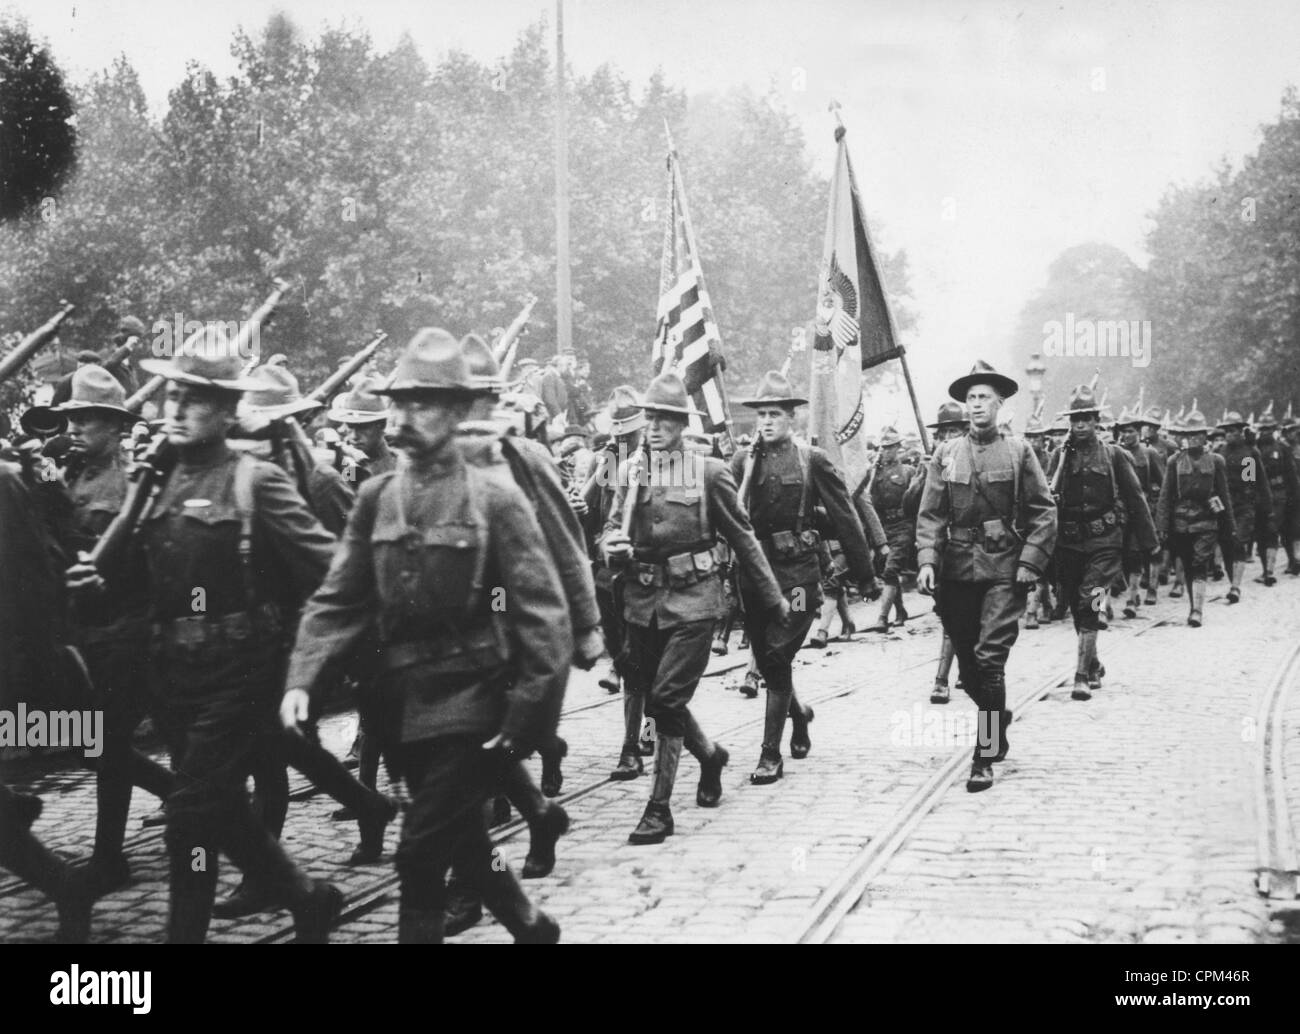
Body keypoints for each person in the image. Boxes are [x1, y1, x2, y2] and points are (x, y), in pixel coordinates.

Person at [282, 328, 570, 943]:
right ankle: (528, 923)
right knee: (464, 841)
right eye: (398, 402)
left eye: (424, 403)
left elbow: (544, 614)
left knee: (418, 853)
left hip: (473, 699)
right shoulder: (374, 497)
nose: (404, 418)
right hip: (396, 704)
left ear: (460, 412)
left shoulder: (496, 498)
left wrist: (530, 717)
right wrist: (304, 676)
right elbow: (337, 597)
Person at [67, 325, 344, 943]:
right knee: (215, 807)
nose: (176, 410)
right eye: (171, 397)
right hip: (174, 675)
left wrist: (306, 670)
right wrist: (99, 589)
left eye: (194, 400)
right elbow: (141, 577)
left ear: (225, 411)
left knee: (188, 819)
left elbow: (333, 575)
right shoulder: (158, 478)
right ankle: (307, 897)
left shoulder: (256, 480)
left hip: (242, 675)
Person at [601, 372, 787, 843]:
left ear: (682, 424)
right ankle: (709, 756)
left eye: (667, 418)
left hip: (694, 602)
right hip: (643, 602)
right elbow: (607, 531)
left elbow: (743, 539)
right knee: (655, 691)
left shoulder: (708, 472)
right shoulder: (630, 472)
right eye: (651, 418)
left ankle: (658, 808)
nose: (657, 426)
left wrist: (771, 598)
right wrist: (613, 548)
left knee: (665, 700)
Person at [53, 365, 176, 895]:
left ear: (116, 427)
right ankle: (178, 792)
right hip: (85, 632)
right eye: (72, 418)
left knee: (106, 743)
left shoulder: (131, 484)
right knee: (91, 743)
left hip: (124, 630)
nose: (76, 427)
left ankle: (109, 858)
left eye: (88, 419)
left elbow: (145, 564)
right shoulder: (70, 475)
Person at [916, 361, 1057, 792]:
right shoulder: (946, 453)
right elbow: (931, 514)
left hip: (1003, 570)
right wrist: (926, 560)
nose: (977, 405)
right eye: (971, 398)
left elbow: (1043, 510)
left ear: (999, 405)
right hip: (956, 571)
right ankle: (998, 715)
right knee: (968, 669)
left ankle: (984, 755)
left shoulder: (1018, 452)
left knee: (989, 661)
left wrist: (1031, 562)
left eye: (984, 398)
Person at [731, 371, 874, 783]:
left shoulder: (811, 459)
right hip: (755, 577)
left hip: (797, 580)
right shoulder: (743, 461)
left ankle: (769, 754)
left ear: (790, 418)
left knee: (777, 655)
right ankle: (799, 714)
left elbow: (846, 516)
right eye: (761, 415)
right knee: (767, 654)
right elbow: (726, 514)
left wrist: (864, 574)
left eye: (775, 414)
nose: (767, 422)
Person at [1048, 386, 1157, 701]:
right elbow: (1046, 498)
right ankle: (1092, 662)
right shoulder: (1059, 455)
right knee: (1073, 603)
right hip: (1068, 543)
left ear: (1097, 421)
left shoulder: (1113, 455)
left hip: (1104, 542)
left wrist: (1149, 542)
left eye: (1086, 419)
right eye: (1075, 420)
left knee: (1091, 600)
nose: (1080, 425)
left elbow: (1136, 498)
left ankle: (1081, 675)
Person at [1155, 405, 1234, 626]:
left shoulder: (1221, 460)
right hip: (1181, 522)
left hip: (1208, 520)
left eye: (1198, 434)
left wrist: (1230, 525)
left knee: (1200, 562)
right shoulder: (1175, 461)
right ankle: (1193, 604)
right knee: (1189, 564)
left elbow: (1228, 492)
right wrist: (1161, 525)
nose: (1194, 439)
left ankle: (1198, 610)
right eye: (1189, 434)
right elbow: (1165, 495)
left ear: (1205, 435)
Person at [915, 401, 969, 704]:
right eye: (943, 433)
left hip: (981, 555)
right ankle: (943, 678)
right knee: (952, 617)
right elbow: (917, 508)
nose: (947, 439)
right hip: (945, 554)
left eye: (954, 431)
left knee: (974, 625)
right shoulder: (934, 465)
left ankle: (961, 672)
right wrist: (925, 475)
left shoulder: (977, 461)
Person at [863, 427, 917, 632]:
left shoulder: (907, 471)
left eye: (889, 447)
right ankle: (900, 610)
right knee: (888, 572)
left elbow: (916, 501)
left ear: (897, 447)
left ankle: (882, 618)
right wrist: (872, 472)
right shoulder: (874, 473)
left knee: (891, 570)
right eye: (882, 448)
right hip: (882, 528)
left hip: (903, 525)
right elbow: (866, 499)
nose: (884, 451)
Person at [1217, 411, 1272, 603]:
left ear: (1241, 432)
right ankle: (1234, 580)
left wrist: (1265, 505)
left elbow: (1254, 481)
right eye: (1226, 431)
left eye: (1232, 431)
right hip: (1224, 506)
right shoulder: (1220, 451)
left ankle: (1235, 586)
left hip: (1243, 505)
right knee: (1225, 545)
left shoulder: (1249, 453)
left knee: (1238, 542)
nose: (1229, 435)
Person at [1115, 405, 1164, 614]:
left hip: (1141, 511)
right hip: (1118, 512)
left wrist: (1156, 509)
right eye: (1123, 431)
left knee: (1136, 555)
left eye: (1131, 431)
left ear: (1139, 431)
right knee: (1114, 557)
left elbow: (1163, 484)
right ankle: (1099, 607)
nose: (1126, 435)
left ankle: (1135, 597)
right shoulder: (1115, 453)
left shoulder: (1149, 453)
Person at [1256, 402, 1299, 580]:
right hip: (1259, 496)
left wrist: (1295, 496)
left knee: (1273, 529)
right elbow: (1247, 477)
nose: (1265, 431)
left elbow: (1291, 475)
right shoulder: (1252, 449)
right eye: (1263, 428)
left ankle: (1270, 571)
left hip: (1279, 493)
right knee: (1261, 532)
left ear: (1274, 429)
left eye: (1269, 428)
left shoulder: (1282, 449)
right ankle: (1269, 568)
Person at [329, 375, 399, 483]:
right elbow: (350, 494)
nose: (354, 436)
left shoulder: (399, 466)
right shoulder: (348, 460)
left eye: (362, 428)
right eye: (350, 426)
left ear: (381, 425)